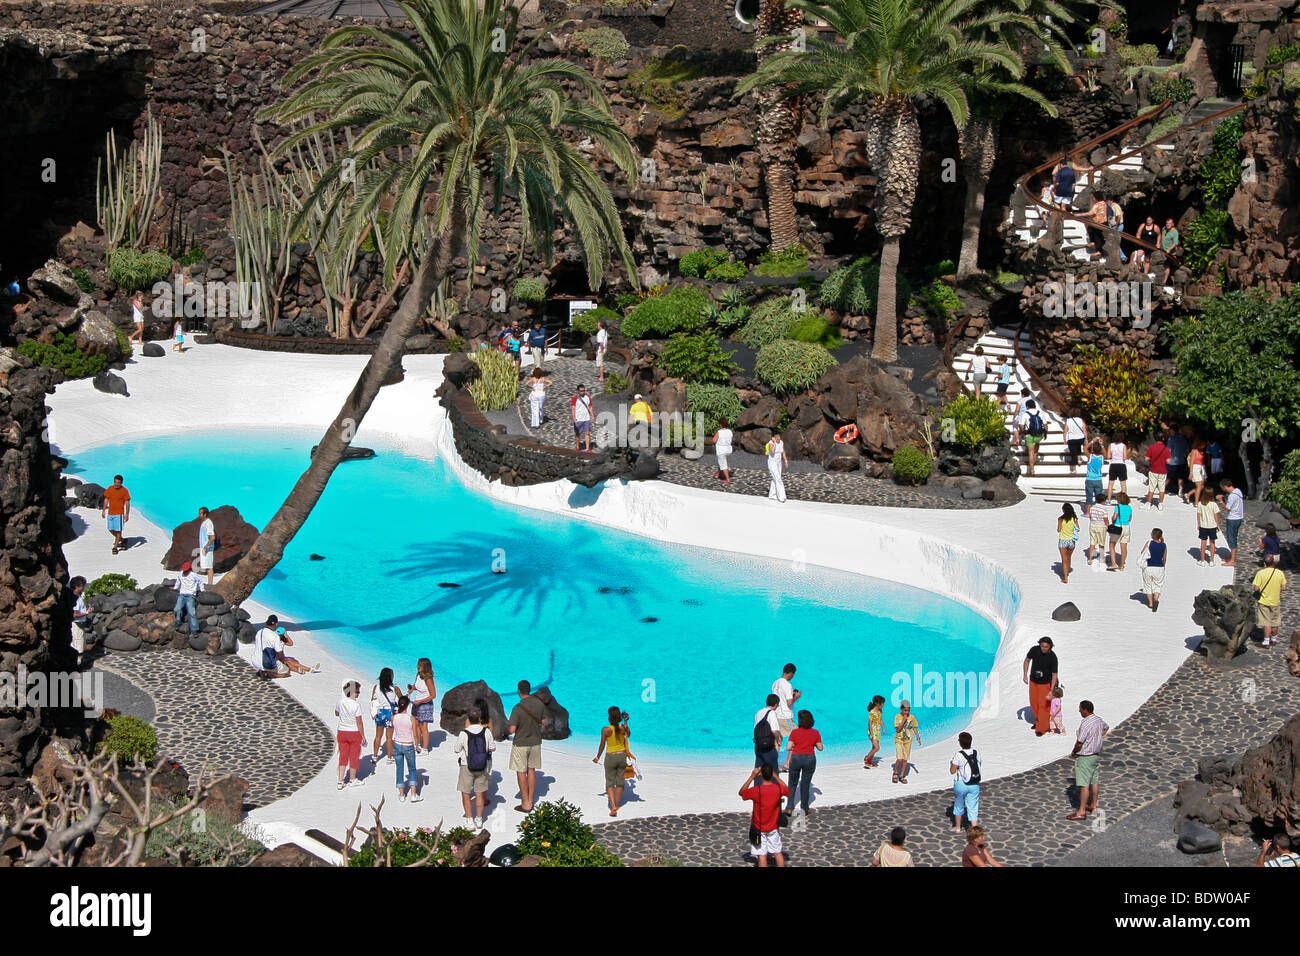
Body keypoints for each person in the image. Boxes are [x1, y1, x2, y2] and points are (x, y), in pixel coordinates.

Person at [1067, 700, 1109, 821]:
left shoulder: (1085, 723)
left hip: (1085, 756)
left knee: (1084, 785)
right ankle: (1093, 806)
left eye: (1080, 709)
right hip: (1096, 755)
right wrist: (1097, 738)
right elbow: (1106, 727)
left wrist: (1074, 752)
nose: (1079, 711)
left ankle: (1081, 811)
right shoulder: (1098, 720)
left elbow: (1080, 742)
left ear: (1085, 710)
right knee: (1094, 781)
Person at [508, 679, 546, 812]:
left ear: (519, 691)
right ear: (529, 690)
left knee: (520, 771)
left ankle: (526, 802)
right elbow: (544, 721)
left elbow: (512, 729)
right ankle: (531, 799)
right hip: (535, 742)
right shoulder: (540, 705)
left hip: (521, 743)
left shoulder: (517, 708)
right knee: (531, 770)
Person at [455, 704, 496, 828]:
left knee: (466, 793)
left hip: (466, 765)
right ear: (480, 719)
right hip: (482, 765)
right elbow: (492, 748)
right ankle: (479, 819)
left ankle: (469, 819)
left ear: (468, 719)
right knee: (479, 793)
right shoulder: (486, 731)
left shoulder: (464, 733)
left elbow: (457, 750)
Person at [740, 764, 789, 867]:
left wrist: (752, 777)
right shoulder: (778, 789)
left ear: (761, 774)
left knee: (762, 855)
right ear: (772, 774)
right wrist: (776, 776)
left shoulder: (756, 791)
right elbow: (786, 789)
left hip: (759, 827)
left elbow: (742, 793)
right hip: (773, 827)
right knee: (777, 852)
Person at [782, 709, 823, 816]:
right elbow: (820, 748)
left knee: (792, 783)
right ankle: (804, 808)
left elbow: (788, 747)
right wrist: (813, 743)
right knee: (805, 784)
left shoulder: (794, 732)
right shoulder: (816, 732)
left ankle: (789, 808)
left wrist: (796, 744)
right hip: (810, 759)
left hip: (796, 758)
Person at [593, 706, 631, 817]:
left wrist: (597, 757)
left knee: (609, 782)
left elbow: (602, 745)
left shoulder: (605, 730)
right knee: (620, 782)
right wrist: (625, 721)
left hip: (610, 757)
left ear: (609, 717)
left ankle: (613, 806)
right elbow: (628, 735)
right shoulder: (623, 728)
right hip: (621, 757)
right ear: (619, 716)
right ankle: (617, 804)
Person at [1023, 636, 1059, 737]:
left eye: (1046, 647)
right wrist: (1025, 674)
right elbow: (1027, 660)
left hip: (1045, 684)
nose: (1043, 648)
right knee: (1034, 703)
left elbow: (1054, 675)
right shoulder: (1034, 650)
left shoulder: (1052, 657)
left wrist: (1051, 690)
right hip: (1034, 681)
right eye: (1042, 646)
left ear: (1050, 646)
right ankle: (1039, 721)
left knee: (1044, 705)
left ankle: (1042, 728)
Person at [335, 680, 366, 790]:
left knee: (343, 756)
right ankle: (352, 779)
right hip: (353, 732)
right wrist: (363, 736)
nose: (358, 694)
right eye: (357, 692)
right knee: (354, 757)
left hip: (342, 732)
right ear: (352, 692)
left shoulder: (341, 702)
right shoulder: (356, 705)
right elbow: (359, 722)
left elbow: (336, 713)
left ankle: (340, 781)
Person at [391, 696, 422, 803]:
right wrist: (417, 745)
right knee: (412, 769)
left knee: (399, 769)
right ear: (408, 705)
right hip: (408, 744)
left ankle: (401, 794)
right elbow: (415, 734)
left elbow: (395, 729)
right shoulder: (411, 718)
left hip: (397, 744)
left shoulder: (394, 717)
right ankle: (413, 794)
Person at [949, 731, 982, 832]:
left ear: (960, 743)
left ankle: (958, 827)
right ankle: (975, 829)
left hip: (961, 784)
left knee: (959, 804)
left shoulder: (958, 755)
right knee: (973, 807)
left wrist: (951, 763)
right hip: (974, 783)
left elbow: (952, 771)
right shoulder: (976, 753)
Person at [1252, 562, 1287, 648]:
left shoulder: (1260, 573)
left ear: (1265, 563)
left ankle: (1266, 642)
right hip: (1275, 601)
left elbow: (1256, 588)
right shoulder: (1279, 573)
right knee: (1275, 622)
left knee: (1266, 622)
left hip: (1264, 601)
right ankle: (1274, 640)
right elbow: (1284, 587)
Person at [370, 668, 400, 764]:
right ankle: (389, 757)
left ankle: (375, 756)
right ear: (390, 677)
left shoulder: (376, 687)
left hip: (380, 712)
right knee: (389, 737)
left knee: (378, 735)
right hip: (389, 713)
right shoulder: (395, 688)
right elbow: (403, 699)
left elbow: (373, 699)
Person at [407, 658, 437, 754]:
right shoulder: (418, 675)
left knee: (423, 727)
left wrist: (420, 701)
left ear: (424, 667)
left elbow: (433, 695)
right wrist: (411, 689)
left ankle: (425, 749)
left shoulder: (428, 679)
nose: (417, 666)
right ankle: (418, 745)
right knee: (416, 725)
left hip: (425, 705)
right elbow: (416, 685)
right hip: (417, 702)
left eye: (419, 665)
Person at [101, 474, 131, 555]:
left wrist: (127, 514)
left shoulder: (124, 490)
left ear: (121, 483)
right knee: (110, 529)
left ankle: (115, 547)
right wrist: (103, 510)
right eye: (115, 482)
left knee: (118, 531)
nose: (116, 484)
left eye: (118, 483)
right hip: (111, 513)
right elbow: (106, 499)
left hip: (119, 514)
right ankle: (122, 540)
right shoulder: (110, 488)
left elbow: (127, 503)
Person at [171, 561, 204, 635]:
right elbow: (178, 581)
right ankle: (178, 622)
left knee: (191, 612)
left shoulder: (193, 575)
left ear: (189, 569)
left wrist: (202, 589)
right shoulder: (180, 574)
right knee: (177, 609)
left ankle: (194, 629)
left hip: (190, 596)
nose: (184, 572)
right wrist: (175, 588)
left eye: (186, 570)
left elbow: (200, 581)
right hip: (182, 595)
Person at [1218, 479, 1245, 567]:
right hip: (1239, 518)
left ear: (1225, 486)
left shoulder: (1232, 496)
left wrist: (1221, 501)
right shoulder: (1238, 491)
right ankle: (1231, 557)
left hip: (1233, 519)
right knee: (1234, 537)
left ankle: (1232, 560)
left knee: (1232, 539)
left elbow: (1227, 509)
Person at [892, 700, 920, 784]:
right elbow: (898, 730)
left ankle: (901, 775)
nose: (906, 712)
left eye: (908, 710)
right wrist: (903, 721)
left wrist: (918, 738)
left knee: (905, 759)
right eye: (905, 710)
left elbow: (914, 727)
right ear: (901, 709)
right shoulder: (897, 717)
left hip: (908, 741)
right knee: (899, 759)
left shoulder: (911, 717)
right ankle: (895, 772)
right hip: (899, 740)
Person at [1140, 528, 1167, 613]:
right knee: (1158, 585)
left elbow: (1142, 553)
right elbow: (1164, 558)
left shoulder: (1149, 543)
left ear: (1152, 535)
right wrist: (1163, 566)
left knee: (1148, 585)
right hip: (1159, 567)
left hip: (1149, 566)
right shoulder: (1164, 545)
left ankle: (1151, 603)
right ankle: (1156, 599)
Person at [753, 693, 783, 772]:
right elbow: (774, 731)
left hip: (758, 744)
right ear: (776, 704)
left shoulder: (758, 713)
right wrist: (778, 740)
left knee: (759, 769)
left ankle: (758, 784)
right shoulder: (772, 713)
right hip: (768, 745)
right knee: (773, 770)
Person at [771, 663, 800, 739]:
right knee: (797, 736)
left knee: (778, 739)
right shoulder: (787, 684)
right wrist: (796, 697)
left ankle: (775, 751)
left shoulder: (775, 683)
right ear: (791, 673)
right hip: (785, 716)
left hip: (776, 715)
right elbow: (789, 703)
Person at [1108, 492, 1134, 571]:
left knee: (1112, 545)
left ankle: (1114, 563)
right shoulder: (1129, 507)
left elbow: (1115, 517)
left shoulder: (1118, 506)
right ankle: (1122, 565)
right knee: (1124, 547)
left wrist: (1112, 519)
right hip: (1126, 527)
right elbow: (1130, 519)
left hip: (1118, 526)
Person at [1142, 437, 1170, 510]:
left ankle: (1148, 504)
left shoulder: (1152, 447)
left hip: (1153, 470)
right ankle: (1160, 504)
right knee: (1162, 488)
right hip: (1163, 471)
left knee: (1152, 487)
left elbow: (1146, 458)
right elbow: (1168, 461)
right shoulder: (1166, 448)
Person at [1165, 425, 1190, 503]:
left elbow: (1169, 450)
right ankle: (1180, 490)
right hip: (1181, 460)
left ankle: (1162, 489)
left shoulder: (1171, 439)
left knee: (1168, 477)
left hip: (1172, 461)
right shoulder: (1183, 438)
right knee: (1180, 477)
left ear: (1172, 431)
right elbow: (1187, 449)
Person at [1022, 399, 1047, 476]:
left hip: (1029, 435)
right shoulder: (1040, 413)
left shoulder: (1025, 414)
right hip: (1039, 434)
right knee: (1036, 450)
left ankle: (1032, 470)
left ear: (1027, 406)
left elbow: (1021, 425)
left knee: (1030, 452)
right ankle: (1034, 461)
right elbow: (1045, 424)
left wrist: (1023, 432)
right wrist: (1045, 433)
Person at [69, 576, 89, 667]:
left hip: (80, 623)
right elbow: (74, 614)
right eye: (82, 585)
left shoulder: (79, 596)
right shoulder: (75, 598)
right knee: (78, 645)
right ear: (77, 586)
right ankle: (77, 666)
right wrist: (86, 613)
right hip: (77, 624)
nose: (84, 587)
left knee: (80, 644)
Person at [1196, 494, 1221, 567]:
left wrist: (1198, 524)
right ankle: (1212, 561)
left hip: (1203, 526)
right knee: (1212, 543)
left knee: (1203, 543)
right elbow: (1216, 516)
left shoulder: (1200, 504)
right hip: (1212, 526)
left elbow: (1198, 515)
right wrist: (1218, 525)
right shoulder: (1214, 504)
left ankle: (1202, 560)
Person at [706, 417, 734, 484]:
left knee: (723, 464)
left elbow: (713, 440)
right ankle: (718, 474)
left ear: (721, 424)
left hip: (721, 450)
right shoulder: (730, 431)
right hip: (728, 449)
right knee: (721, 462)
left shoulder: (719, 432)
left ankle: (727, 479)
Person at [1087, 491, 1109, 570]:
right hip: (1101, 526)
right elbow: (1106, 520)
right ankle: (1101, 558)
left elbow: (1090, 517)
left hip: (1093, 525)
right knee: (1101, 543)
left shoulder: (1092, 508)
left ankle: (1090, 559)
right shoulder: (1104, 509)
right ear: (1103, 501)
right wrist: (1108, 526)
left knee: (1092, 543)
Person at [1057, 502, 1079, 584]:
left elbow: (1059, 530)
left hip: (1063, 540)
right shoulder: (1074, 518)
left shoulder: (1060, 519)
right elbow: (1078, 528)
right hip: (1071, 540)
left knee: (1064, 559)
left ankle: (1065, 577)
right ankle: (1067, 571)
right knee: (1069, 557)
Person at [863, 694, 886, 769]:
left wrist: (883, 728)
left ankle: (869, 761)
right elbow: (869, 723)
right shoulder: (872, 712)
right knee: (877, 748)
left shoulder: (880, 711)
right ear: (878, 704)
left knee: (874, 747)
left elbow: (880, 720)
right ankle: (867, 759)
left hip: (878, 731)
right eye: (882, 703)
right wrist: (871, 734)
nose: (883, 705)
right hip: (872, 731)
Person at [196, 507, 217, 586]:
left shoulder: (208, 523)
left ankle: (210, 584)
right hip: (204, 547)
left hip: (207, 548)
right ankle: (209, 583)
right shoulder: (204, 523)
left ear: (205, 514)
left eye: (200, 513)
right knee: (206, 566)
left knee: (209, 567)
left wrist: (206, 547)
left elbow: (212, 537)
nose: (199, 515)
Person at [571, 384, 594, 453]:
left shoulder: (588, 397)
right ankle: (578, 446)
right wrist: (574, 418)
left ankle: (588, 448)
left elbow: (590, 407)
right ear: (578, 391)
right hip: (578, 419)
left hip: (586, 418)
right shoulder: (575, 398)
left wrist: (593, 416)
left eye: (584, 391)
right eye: (581, 391)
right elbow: (573, 408)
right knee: (578, 434)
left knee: (587, 433)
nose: (583, 392)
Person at [766, 433, 788, 503]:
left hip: (779, 463)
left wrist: (786, 460)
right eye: (777, 438)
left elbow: (783, 451)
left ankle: (772, 495)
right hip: (772, 463)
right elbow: (772, 451)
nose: (779, 439)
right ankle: (782, 497)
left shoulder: (781, 442)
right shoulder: (770, 443)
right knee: (778, 478)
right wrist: (774, 442)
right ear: (774, 438)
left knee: (775, 478)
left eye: (779, 438)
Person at [1064, 409, 1087, 475]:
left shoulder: (1068, 421)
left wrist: (1065, 439)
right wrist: (1086, 439)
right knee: (1078, 446)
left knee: (1073, 454)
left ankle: (1074, 470)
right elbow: (1084, 430)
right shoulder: (1081, 420)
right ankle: (1079, 460)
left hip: (1071, 439)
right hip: (1080, 438)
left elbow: (1065, 431)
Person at [1084, 440, 1105, 511]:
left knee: (1089, 496)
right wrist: (1102, 445)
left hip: (1090, 479)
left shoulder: (1090, 456)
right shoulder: (1102, 457)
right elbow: (1106, 454)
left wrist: (1092, 441)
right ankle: (1098, 511)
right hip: (1098, 479)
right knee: (1099, 497)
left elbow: (1085, 448)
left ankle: (1087, 512)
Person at [1160, 218, 1181, 285]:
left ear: (1173, 224)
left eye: (1169, 224)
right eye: (1166, 223)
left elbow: (1175, 243)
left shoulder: (1175, 232)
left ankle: (1165, 281)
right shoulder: (1164, 229)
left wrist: (1169, 249)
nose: (1167, 225)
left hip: (1170, 253)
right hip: (1162, 250)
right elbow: (1161, 236)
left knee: (1168, 266)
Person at [1189, 439, 1207, 505]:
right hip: (1196, 468)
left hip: (1202, 468)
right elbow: (1191, 462)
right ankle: (1196, 502)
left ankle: (1189, 494)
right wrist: (1191, 473)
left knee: (1202, 486)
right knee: (1199, 486)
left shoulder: (1201, 451)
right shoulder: (1194, 451)